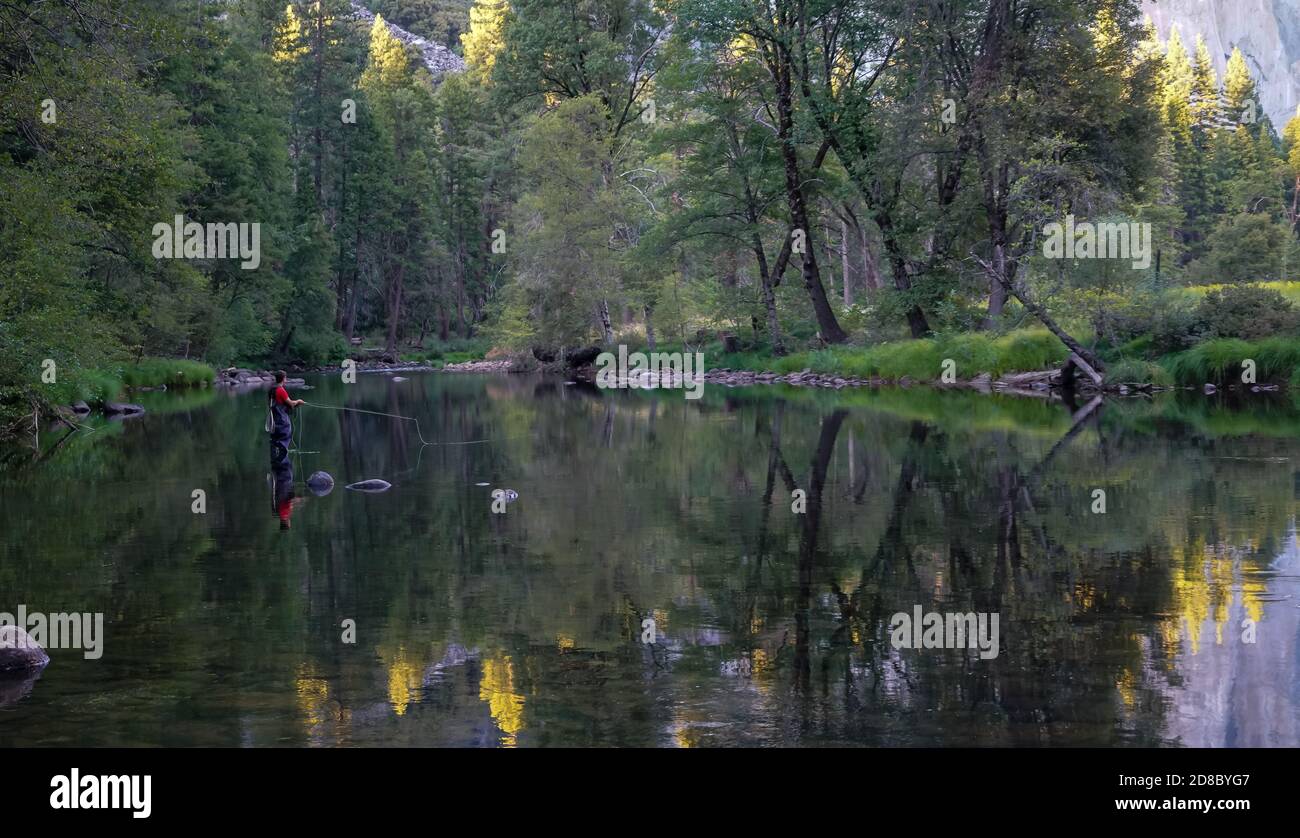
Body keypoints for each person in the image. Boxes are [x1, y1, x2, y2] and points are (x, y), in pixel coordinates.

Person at [267, 371, 305, 464]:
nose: (286, 379)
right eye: (285, 377)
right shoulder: (280, 390)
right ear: (283, 378)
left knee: (275, 441)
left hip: (273, 420)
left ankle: (276, 463)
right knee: (284, 437)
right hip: (281, 419)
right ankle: (282, 464)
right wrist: (299, 401)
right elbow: (291, 403)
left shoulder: (272, 389)